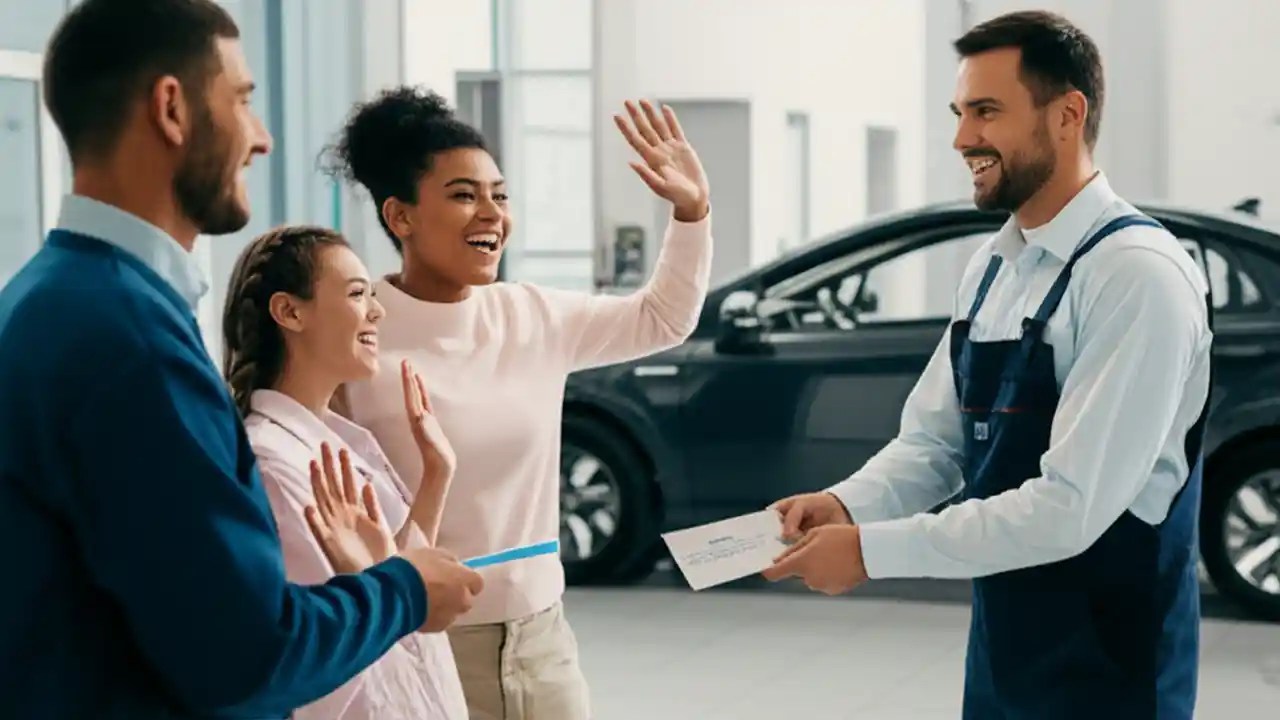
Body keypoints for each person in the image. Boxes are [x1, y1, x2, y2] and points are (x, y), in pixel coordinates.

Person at [0, 2, 480, 717]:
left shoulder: (45, 298)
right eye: (244, 101)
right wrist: (404, 590)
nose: (261, 138)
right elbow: (248, 654)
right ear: (172, 108)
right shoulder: (128, 338)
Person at [762, 11, 1212, 720]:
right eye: (958, 112)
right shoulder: (994, 267)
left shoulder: (1137, 277)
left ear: (1068, 115)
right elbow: (935, 443)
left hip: (1110, 678)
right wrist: (849, 505)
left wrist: (871, 551)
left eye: (986, 111)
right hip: (1005, 663)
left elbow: (1068, 510)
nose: (961, 137)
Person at [326, 86, 714, 719]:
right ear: (400, 217)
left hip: (542, 645)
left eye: (499, 196)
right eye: (463, 196)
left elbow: (662, 319)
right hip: (417, 645)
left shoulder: (531, 315)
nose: (491, 215)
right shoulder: (355, 328)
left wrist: (692, 212)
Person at [221, 225, 474, 719]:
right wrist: (378, 579)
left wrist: (437, 475)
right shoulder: (275, 465)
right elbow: (325, 660)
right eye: (358, 294)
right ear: (290, 312)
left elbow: (392, 577)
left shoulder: (334, 442)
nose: (377, 311)